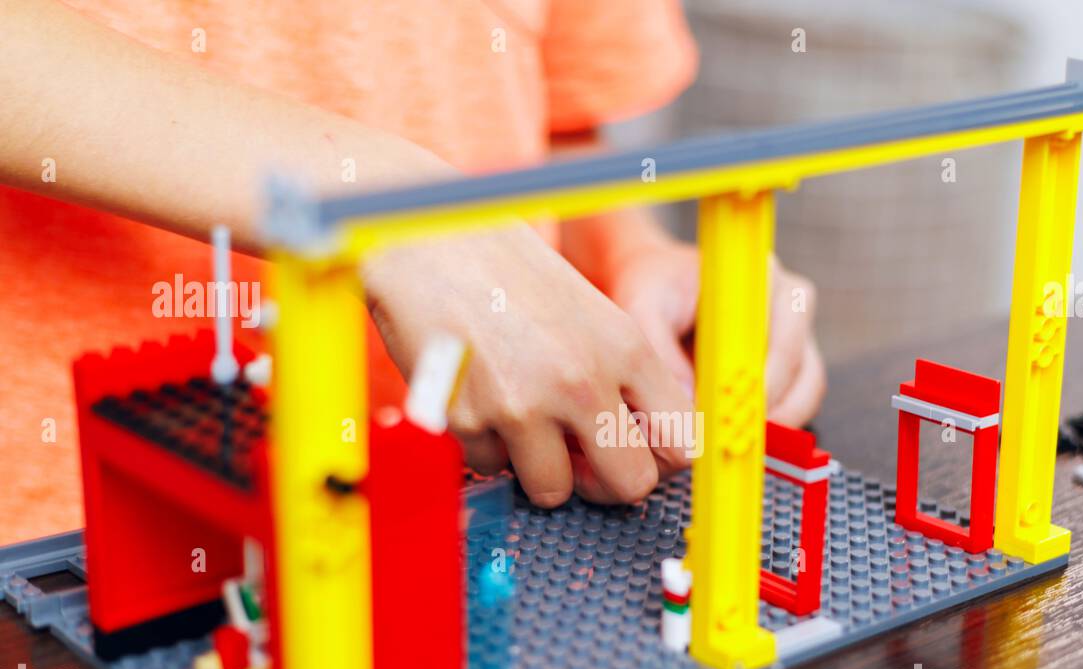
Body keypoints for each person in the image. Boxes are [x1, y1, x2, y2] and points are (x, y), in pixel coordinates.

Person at [0, 0, 825, 545]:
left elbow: (549, 115)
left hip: (486, 514)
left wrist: (626, 254)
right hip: (73, 551)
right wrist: (376, 200)